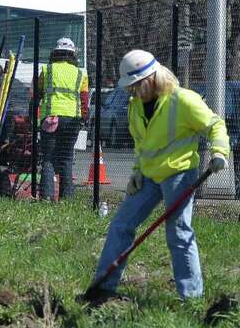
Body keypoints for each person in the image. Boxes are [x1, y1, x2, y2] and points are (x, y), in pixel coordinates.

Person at [80, 50, 230, 306]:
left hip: (179, 174)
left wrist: (219, 151)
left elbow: (215, 125)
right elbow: (142, 144)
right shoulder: (135, 107)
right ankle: (103, 288)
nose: (133, 92)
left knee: (179, 232)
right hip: (148, 176)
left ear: (151, 78)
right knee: (121, 225)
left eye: (136, 86)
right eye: (130, 88)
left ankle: (191, 297)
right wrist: (137, 172)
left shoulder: (183, 100)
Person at [38, 38, 89, 200]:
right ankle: (67, 199)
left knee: (48, 159)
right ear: (73, 54)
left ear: (55, 52)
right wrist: (83, 119)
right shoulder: (81, 73)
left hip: (51, 118)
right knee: (66, 158)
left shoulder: (47, 70)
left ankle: (46, 198)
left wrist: (35, 116)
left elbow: (36, 95)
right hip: (73, 120)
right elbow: (84, 100)